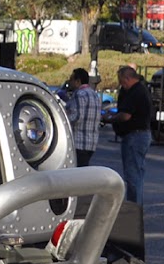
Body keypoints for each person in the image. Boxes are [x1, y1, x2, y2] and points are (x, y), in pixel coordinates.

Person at [111, 64, 153, 203]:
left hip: (134, 136)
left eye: (122, 81)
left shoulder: (135, 92)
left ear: (127, 78)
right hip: (142, 134)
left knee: (132, 176)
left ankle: (134, 207)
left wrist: (112, 118)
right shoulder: (142, 89)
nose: (121, 85)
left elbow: (126, 115)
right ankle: (137, 205)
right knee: (138, 173)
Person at [62, 68, 102, 165]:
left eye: (71, 79)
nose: (69, 82)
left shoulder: (79, 94)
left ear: (78, 81)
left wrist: (63, 119)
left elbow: (76, 117)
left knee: (75, 173)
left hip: (79, 141)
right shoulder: (94, 94)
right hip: (91, 142)